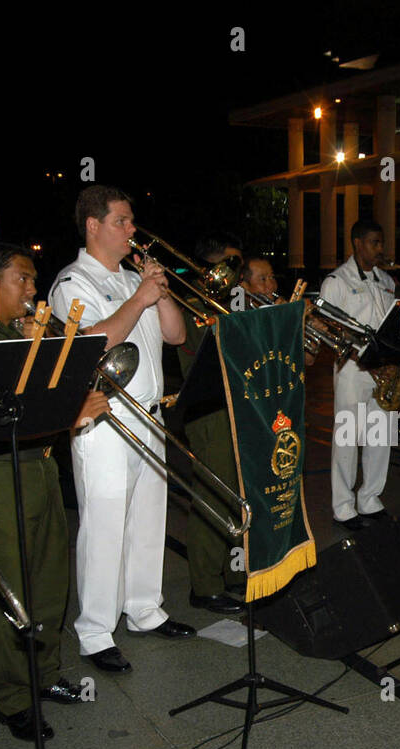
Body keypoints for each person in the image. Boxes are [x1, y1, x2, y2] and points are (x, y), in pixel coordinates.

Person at [0, 241, 106, 741]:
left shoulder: (24, 332)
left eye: (34, 281)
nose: (34, 290)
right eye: (24, 279)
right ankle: (13, 696)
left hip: (39, 466)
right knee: (9, 590)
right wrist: (68, 414)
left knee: (51, 580)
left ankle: (46, 674)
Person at [48, 185, 195, 674]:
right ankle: (94, 631)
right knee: (105, 524)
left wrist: (160, 293)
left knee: (148, 519)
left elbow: (176, 335)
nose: (133, 230)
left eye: (132, 222)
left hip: (150, 413)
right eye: (123, 221)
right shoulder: (73, 282)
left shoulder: (136, 277)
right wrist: (139, 298)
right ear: (93, 225)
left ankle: (145, 609)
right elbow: (90, 344)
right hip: (105, 417)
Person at [174, 231, 247, 616]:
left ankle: (234, 573)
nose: (237, 273)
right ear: (210, 268)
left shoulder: (233, 304)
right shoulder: (192, 305)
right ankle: (204, 585)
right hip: (208, 410)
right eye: (230, 264)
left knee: (238, 494)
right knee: (214, 495)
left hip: (237, 407)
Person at [321, 219, 398, 530]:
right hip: (353, 368)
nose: (380, 249)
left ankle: (370, 498)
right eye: (374, 243)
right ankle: (343, 506)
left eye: (381, 243)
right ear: (357, 243)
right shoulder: (336, 281)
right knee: (348, 438)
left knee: (380, 436)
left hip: (384, 368)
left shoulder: (387, 281)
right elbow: (326, 326)